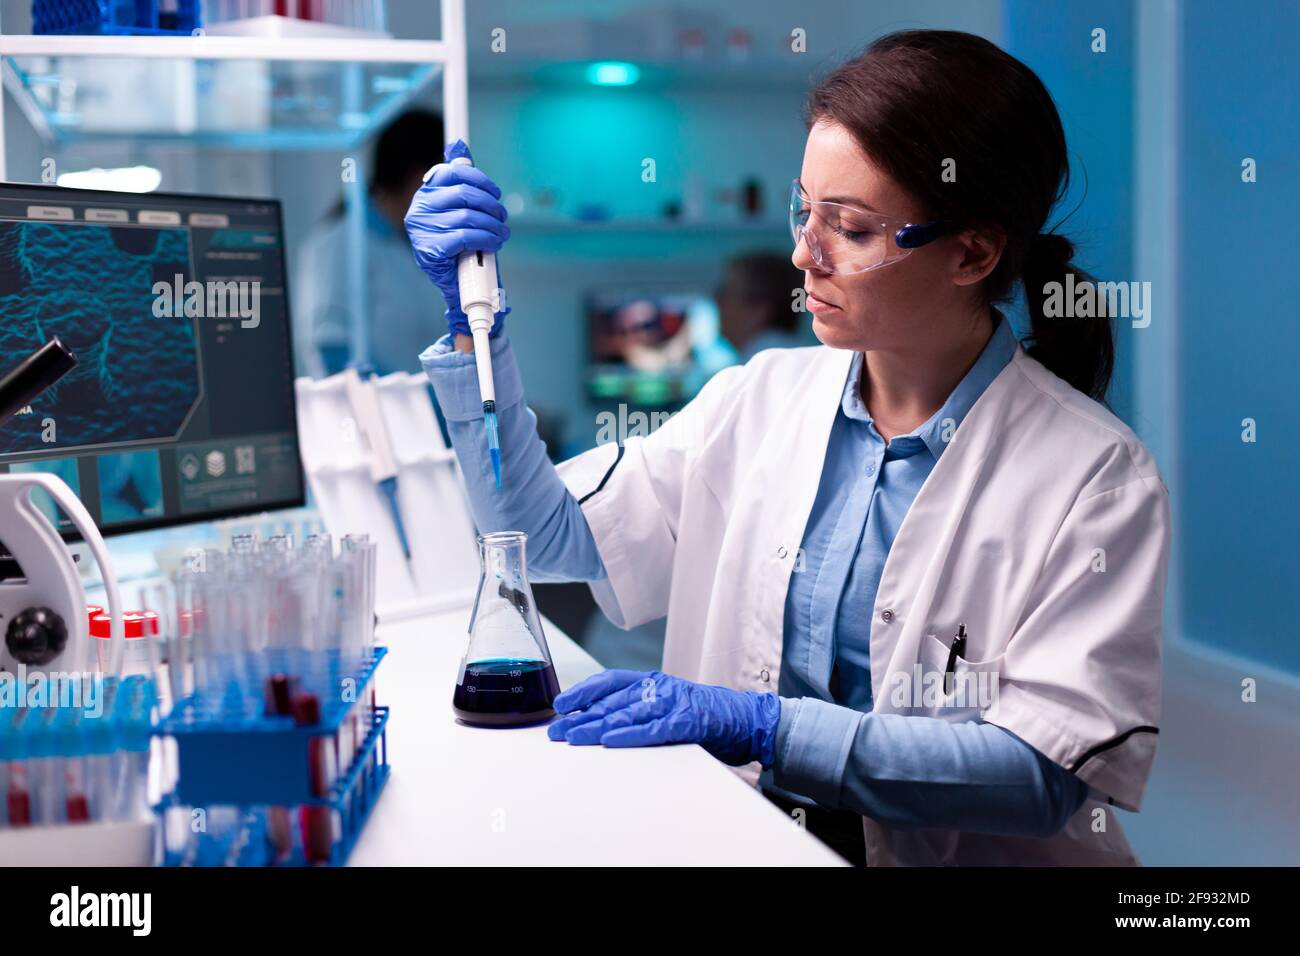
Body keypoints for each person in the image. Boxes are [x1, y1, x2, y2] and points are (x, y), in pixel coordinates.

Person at [405, 30, 1169, 867]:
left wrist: (765, 727)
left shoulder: (1095, 476)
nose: (804, 253)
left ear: (973, 251)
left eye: (849, 227)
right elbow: (532, 531)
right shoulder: (758, 397)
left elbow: (1042, 775)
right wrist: (475, 328)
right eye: (803, 208)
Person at [294, 109, 446, 378]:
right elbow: (331, 348)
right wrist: (405, 404)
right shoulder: (343, 241)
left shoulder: (408, 243)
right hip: (372, 416)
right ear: (419, 176)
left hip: (417, 415)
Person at [716, 251, 817, 362]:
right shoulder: (803, 354)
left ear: (759, 310)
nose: (718, 302)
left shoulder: (761, 363)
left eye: (724, 294)